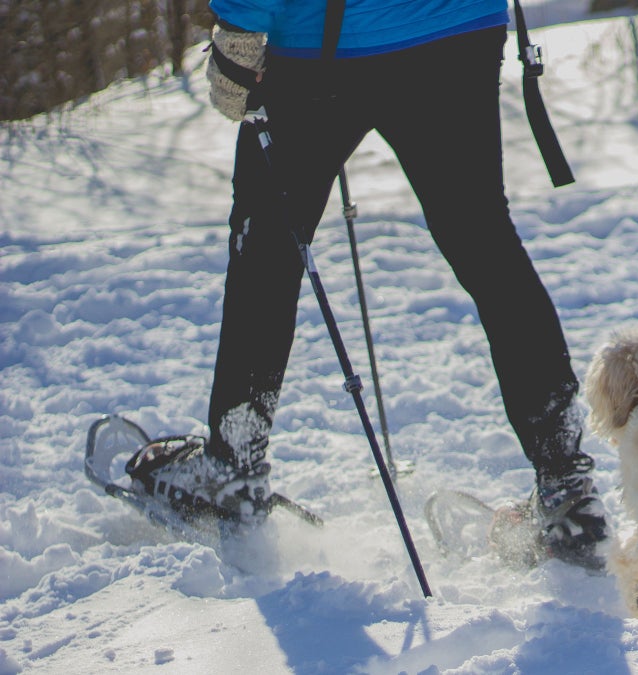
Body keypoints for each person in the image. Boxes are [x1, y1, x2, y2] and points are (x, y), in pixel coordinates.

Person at [125, 0, 608, 570]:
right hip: (451, 31)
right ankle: (566, 490)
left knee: (268, 253)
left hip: (318, 45)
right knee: (485, 245)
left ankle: (232, 472)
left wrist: (239, 23)